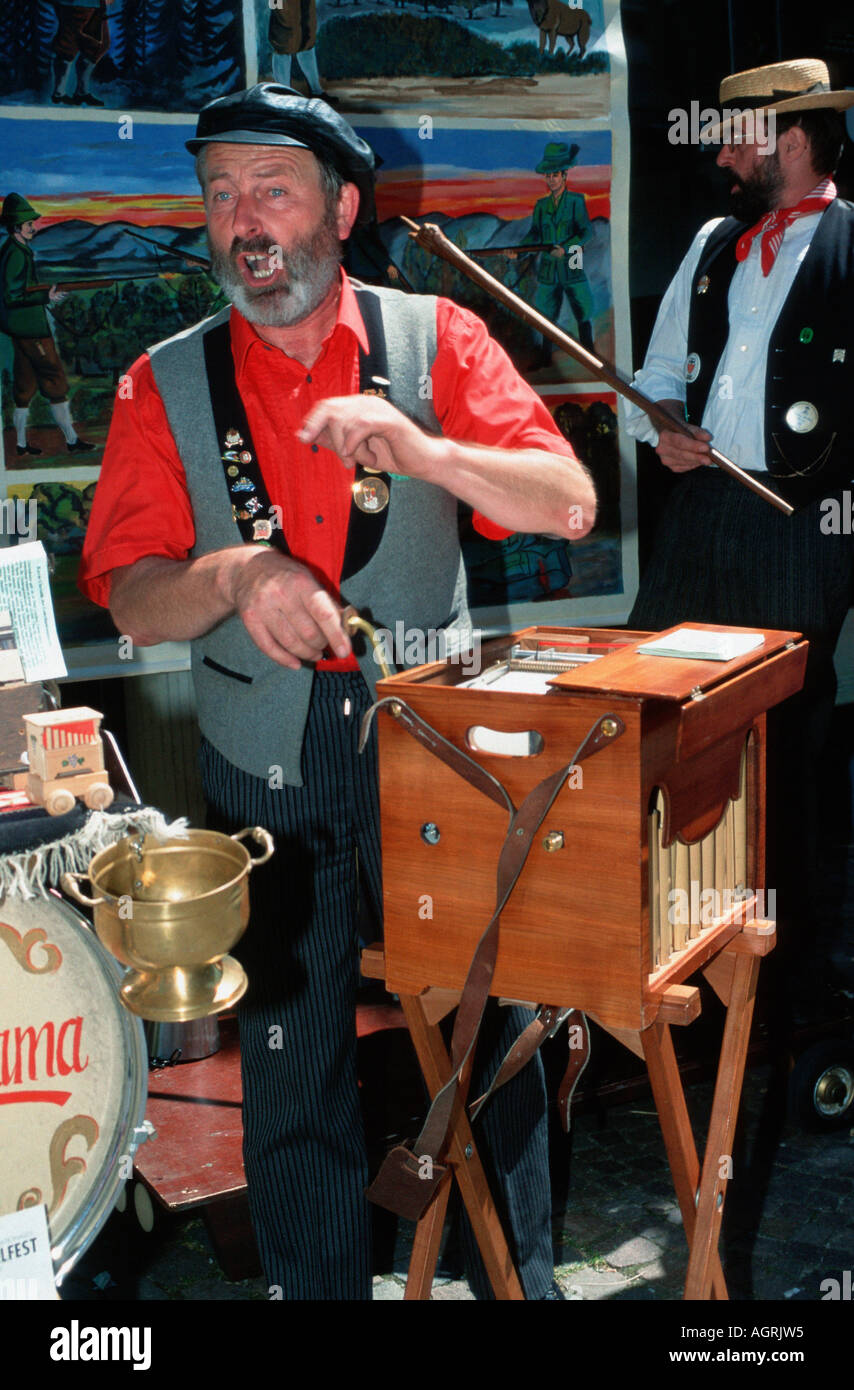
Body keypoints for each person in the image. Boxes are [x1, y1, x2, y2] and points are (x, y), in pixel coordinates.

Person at [78, 84, 596, 1300]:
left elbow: (563, 500)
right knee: (287, 1056)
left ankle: (513, 1276)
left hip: (438, 742)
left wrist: (424, 450)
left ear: (341, 205)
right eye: (219, 195)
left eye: (272, 188)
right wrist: (234, 570)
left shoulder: (437, 341)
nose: (242, 219)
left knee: (491, 1032)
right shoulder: (165, 382)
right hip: (262, 755)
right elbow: (130, 593)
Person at [622, 58, 854, 953]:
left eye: (735, 138)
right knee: (663, 725)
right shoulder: (716, 240)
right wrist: (666, 428)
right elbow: (653, 380)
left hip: (799, 531)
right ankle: (675, 949)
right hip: (699, 521)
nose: (721, 157)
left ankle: (777, 976)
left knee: (780, 750)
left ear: (789, 140)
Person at [0, 193, 94, 458]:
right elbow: (12, 295)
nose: (33, 227)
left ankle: (20, 445)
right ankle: (72, 440)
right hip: (32, 330)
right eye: (28, 223)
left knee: (24, 386)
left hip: (21, 329)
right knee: (55, 381)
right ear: (16, 226)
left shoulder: (14, 250)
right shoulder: (16, 255)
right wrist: (46, 297)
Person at [509, 140, 594, 360]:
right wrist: (520, 251)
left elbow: (586, 233)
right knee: (547, 315)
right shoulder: (541, 206)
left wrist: (565, 249)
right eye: (548, 176)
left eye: (555, 175)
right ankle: (545, 357)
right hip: (548, 270)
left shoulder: (576, 202)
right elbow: (534, 234)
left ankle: (590, 355)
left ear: (564, 175)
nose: (551, 179)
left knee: (583, 311)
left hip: (572, 266)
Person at [50, 1, 111, 107]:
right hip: (74, 4)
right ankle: (59, 93)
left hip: (95, 5)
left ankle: (81, 92)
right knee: (68, 45)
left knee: (97, 45)